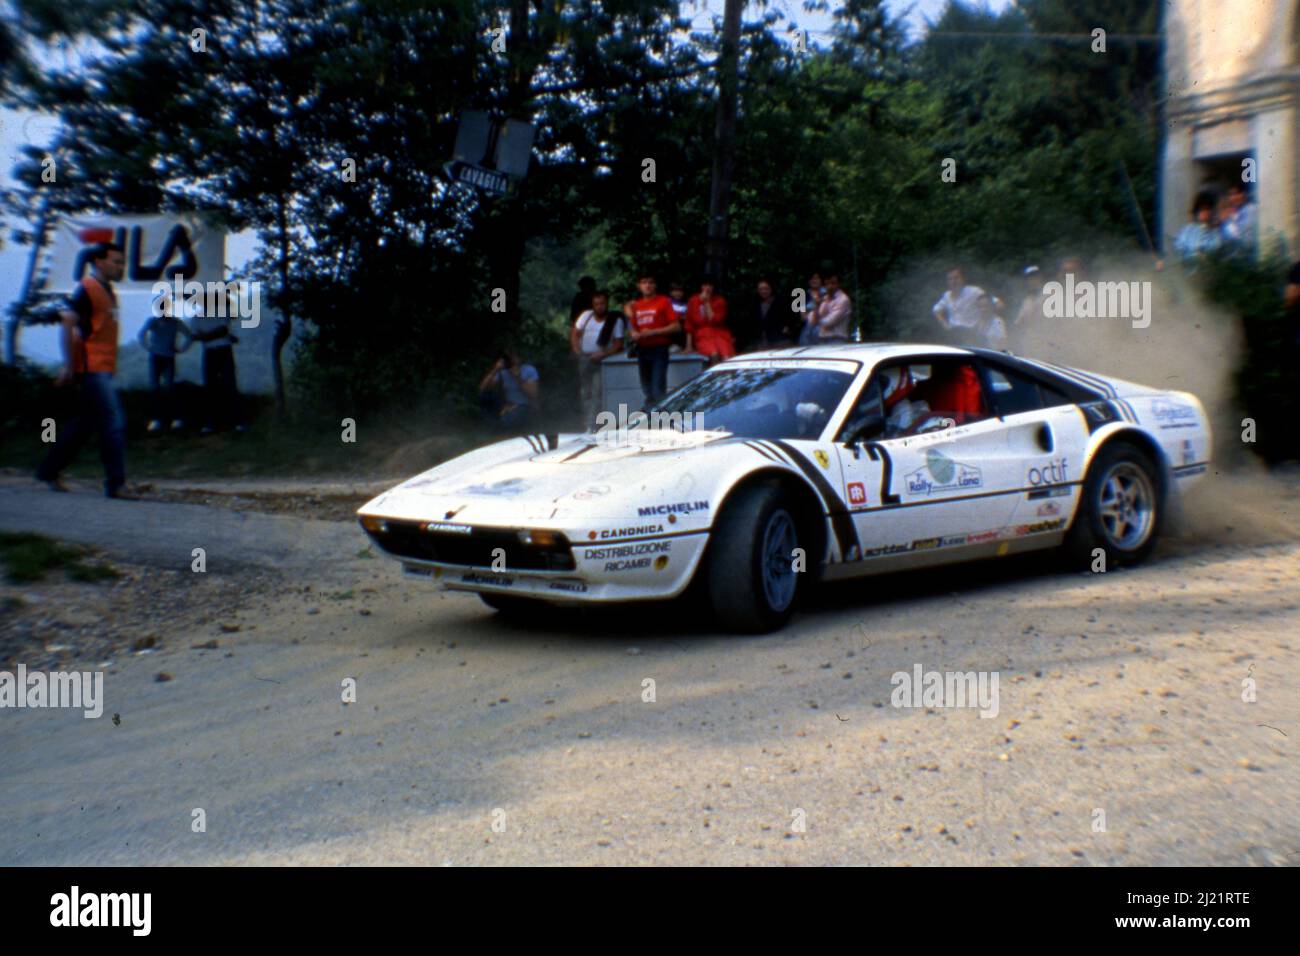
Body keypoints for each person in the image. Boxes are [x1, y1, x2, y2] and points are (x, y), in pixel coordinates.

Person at [36, 241, 137, 498]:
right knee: (114, 422)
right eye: (116, 261)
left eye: (122, 262)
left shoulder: (108, 290)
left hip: (103, 366)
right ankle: (116, 484)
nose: (120, 266)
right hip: (93, 368)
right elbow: (68, 323)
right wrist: (69, 365)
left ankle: (49, 470)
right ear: (99, 262)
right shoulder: (88, 289)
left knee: (83, 425)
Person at [138, 289, 194, 432]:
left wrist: (181, 349)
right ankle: (158, 419)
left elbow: (189, 336)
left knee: (169, 388)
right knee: (156, 388)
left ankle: (173, 419)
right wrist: (148, 347)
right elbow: (141, 335)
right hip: (158, 357)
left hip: (166, 357)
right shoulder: (154, 321)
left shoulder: (173, 322)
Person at [190, 293, 246, 434]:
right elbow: (199, 335)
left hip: (220, 350)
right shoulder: (197, 317)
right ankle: (214, 423)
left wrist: (206, 336)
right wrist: (211, 335)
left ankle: (236, 421)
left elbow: (222, 330)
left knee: (229, 384)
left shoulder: (220, 311)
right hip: (214, 350)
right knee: (211, 386)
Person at [570, 291, 625, 428]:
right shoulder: (586, 316)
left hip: (602, 360)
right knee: (585, 392)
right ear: (592, 305)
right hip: (585, 357)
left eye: (602, 304)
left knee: (598, 392)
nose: (600, 307)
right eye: (597, 304)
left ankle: (596, 424)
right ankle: (585, 423)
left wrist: (603, 353)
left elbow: (618, 344)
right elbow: (575, 334)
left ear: (607, 304)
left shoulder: (614, 320)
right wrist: (577, 350)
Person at [625, 271, 680, 407]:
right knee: (647, 389)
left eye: (650, 282)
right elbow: (632, 328)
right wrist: (633, 333)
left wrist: (654, 332)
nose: (647, 285)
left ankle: (661, 421)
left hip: (659, 349)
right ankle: (652, 420)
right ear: (639, 286)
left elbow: (676, 327)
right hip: (642, 350)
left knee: (657, 389)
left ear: (655, 285)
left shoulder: (663, 301)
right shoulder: (636, 305)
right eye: (644, 282)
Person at [478, 348, 540, 429]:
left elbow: (533, 394)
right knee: (484, 396)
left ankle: (500, 427)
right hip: (508, 404)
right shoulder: (504, 371)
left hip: (525, 405)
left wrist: (518, 377)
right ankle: (490, 424)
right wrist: (495, 369)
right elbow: (482, 388)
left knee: (505, 422)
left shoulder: (529, 370)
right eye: (509, 356)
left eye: (513, 356)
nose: (512, 359)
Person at [685, 279, 736, 365]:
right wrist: (689, 346)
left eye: (710, 285)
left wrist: (707, 303)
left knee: (726, 356)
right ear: (701, 286)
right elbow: (689, 324)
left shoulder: (720, 301)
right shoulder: (693, 301)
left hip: (719, 334)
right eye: (705, 285)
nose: (707, 288)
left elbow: (715, 320)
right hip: (703, 335)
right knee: (713, 354)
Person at [931, 266, 984, 340]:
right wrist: (946, 326)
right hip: (953, 335)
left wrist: (983, 324)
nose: (953, 281)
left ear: (963, 279)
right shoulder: (947, 295)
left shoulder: (974, 292)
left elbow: (995, 304)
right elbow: (936, 310)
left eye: (956, 278)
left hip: (972, 334)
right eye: (950, 279)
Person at [1174, 191, 1223, 263]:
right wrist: (1190, 255)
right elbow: (1179, 245)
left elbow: (1215, 247)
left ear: (1212, 212)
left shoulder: (1215, 233)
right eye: (1201, 210)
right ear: (1197, 211)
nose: (1204, 213)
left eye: (1207, 210)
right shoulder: (1188, 229)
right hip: (1188, 267)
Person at [754, 277, 794, 348]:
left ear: (771, 289)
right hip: (763, 341)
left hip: (780, 340)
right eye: (761, 289)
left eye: (766, 288)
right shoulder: (756, 304)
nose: (763, 291)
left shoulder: (780, 301)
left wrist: (786, 329)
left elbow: (790, 318)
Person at [813, 271, 852, 343]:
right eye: (827, 284)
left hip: (837, 339)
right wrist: (816, 305)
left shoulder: (843, 299)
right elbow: (813, 320)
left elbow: (829, 321)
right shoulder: (824, 298)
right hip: (822, 338)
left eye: (833, 283)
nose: (829, 287)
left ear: (839, 284)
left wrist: (817, 321)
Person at [1220, 183, 1258, 248]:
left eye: (1237, 193)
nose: (1234, 197)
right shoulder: (1230, 218)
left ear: (1244, 194)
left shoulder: (1252, 210)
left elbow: (1242, 239)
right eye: (1231, 194)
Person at [798, 271, 822, 345]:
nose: (814, 281)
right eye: (811, 279)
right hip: (807, 331)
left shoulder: (826, 293)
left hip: (823, 331)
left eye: (816, 278)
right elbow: (803, 317)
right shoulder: (803, 295)